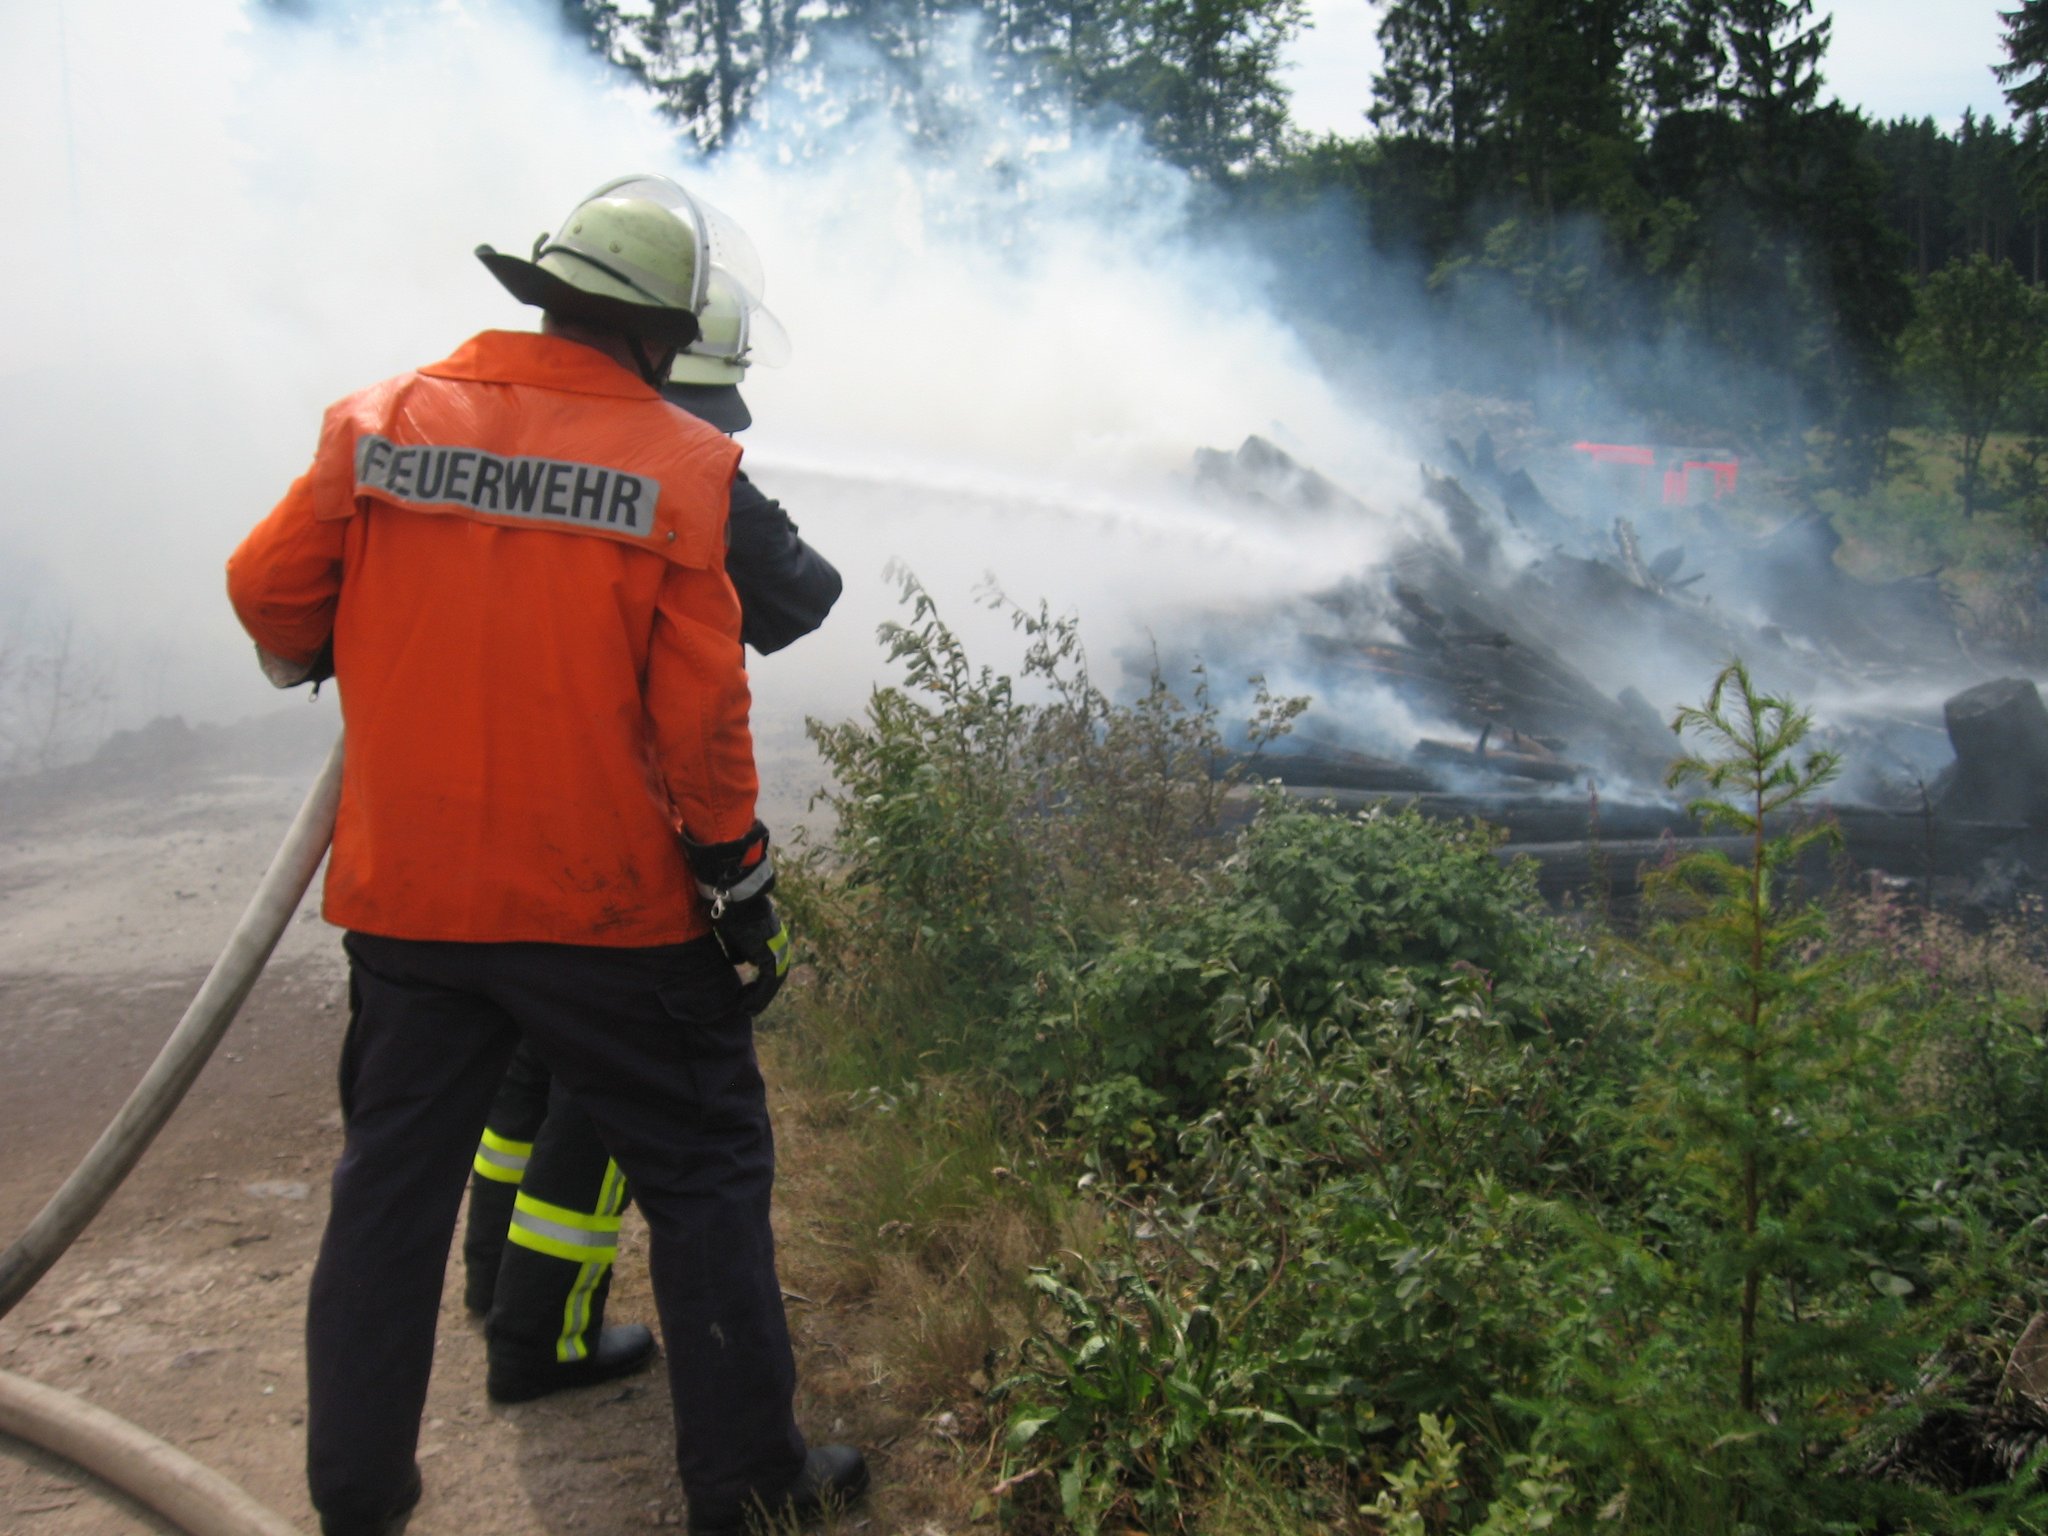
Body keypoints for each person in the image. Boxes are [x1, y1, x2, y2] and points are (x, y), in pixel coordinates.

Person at [226, 173, 867, 1536]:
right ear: (658, 335)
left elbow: (270, 594)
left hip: (407, 907)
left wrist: (347, 637)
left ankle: (354, 1500)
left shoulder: (378, 423)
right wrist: (740, 886)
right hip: (607, 916)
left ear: (544, 293)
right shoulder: (686, 469)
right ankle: (752, 1492)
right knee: (704, 1175)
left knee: (386, 1195)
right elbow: (702, 724)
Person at [463, 284, 843, 1404]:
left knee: (529, 1069)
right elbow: (797, 597)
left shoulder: (479, 438)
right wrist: (737, 882)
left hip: (481, 836)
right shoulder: (672, 467)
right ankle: (539, 1334)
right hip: (608, 849)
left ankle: (497, 1286)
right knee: (644, 1094)